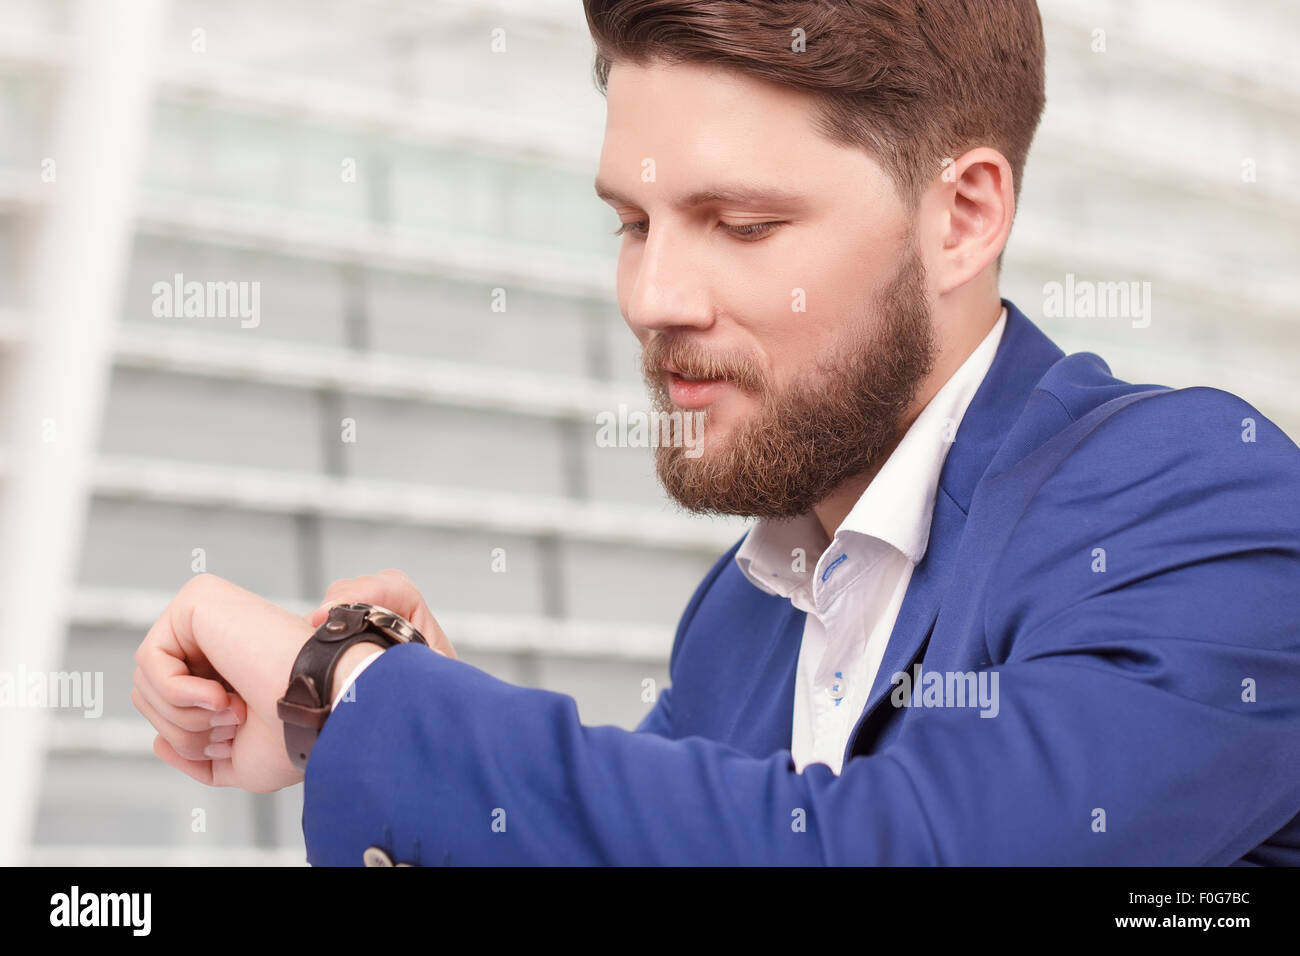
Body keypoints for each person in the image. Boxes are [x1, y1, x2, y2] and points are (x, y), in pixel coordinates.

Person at [132, 0, 1300, 864]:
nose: (652, 297)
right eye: (632, 225)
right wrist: (356, 710)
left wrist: (381, 704)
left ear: (962, 215)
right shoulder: (742, 618)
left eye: (740, 224)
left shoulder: (1205, 505)